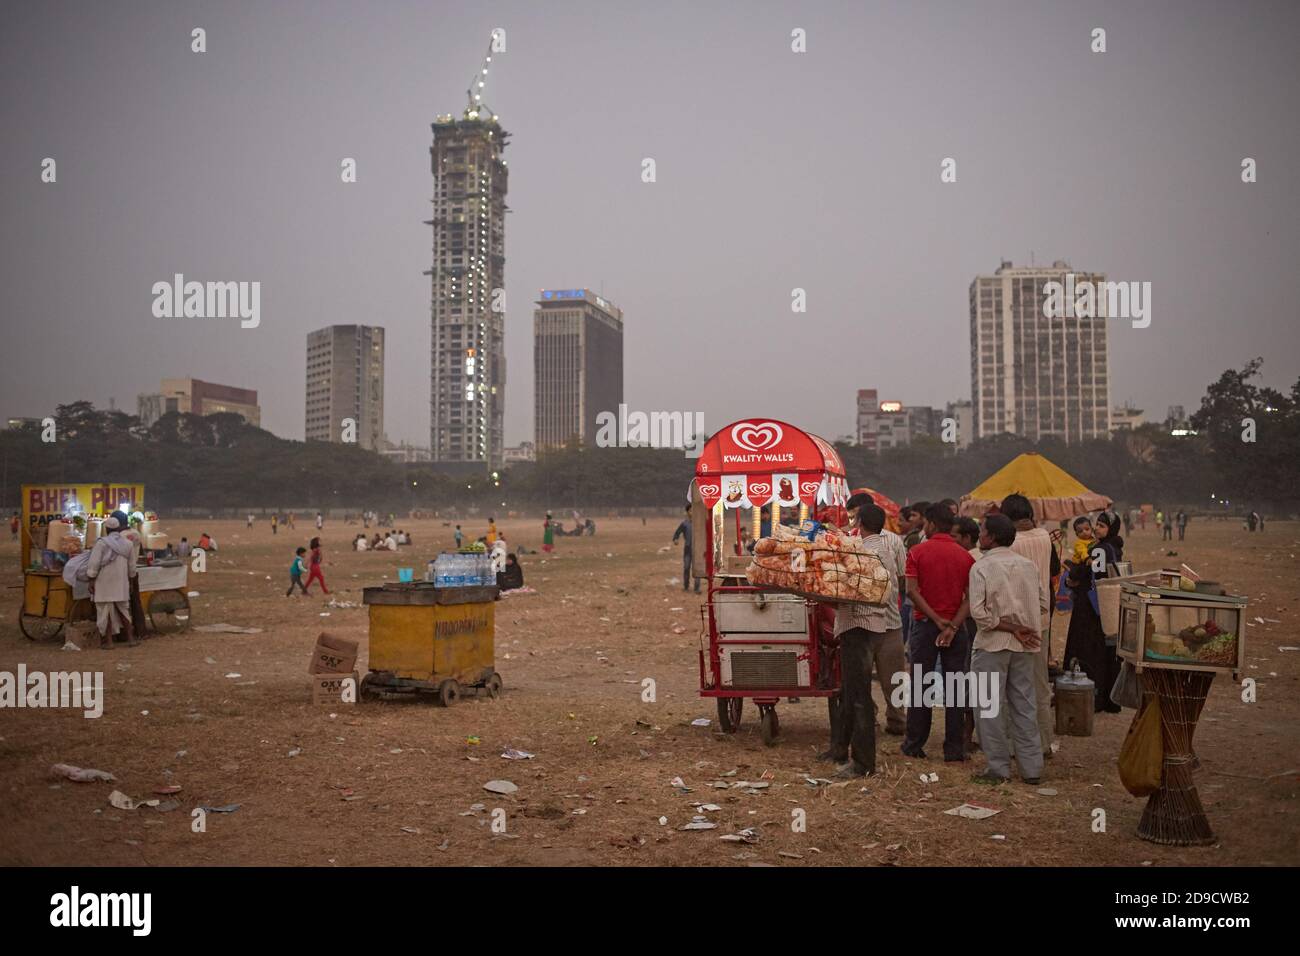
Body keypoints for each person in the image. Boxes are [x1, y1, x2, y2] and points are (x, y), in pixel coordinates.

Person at [828, 504, 909, 771]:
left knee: (859, 695)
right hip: (873, 624)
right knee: (851, 693)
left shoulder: (863, 551)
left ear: (859, 522)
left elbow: (854, 591)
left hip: (859, 626)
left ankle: (862, 762)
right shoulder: (885, 549)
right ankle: (840, 749)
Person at [968, 514, 1047, 785]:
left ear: (990, 537)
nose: (979, 535)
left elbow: (979, 614)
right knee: (1024, 705)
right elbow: (1043, 603)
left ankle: (998, 767)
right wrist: (1023, 625)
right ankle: (1032, 768)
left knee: (990, 708)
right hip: (1025, 646)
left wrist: (1011, 627)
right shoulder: (1028, 566)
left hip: (993, 645)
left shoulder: (981, 566)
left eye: (982, 531)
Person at [902, 503, 974, 761]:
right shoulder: (965, 556)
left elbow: (911, 590)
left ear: (931, 523)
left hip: (925, 626)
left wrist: (936, 619)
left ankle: (914, 744)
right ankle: (954, 749)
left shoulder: (917, 552)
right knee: (955, 688)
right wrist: (953, 625)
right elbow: (970, 597)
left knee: (921, 686)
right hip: (957, 628)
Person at [999, 494, 1059, 754]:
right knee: (1039, 683)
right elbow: (1053, 572)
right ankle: (1044, 742)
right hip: (1041, 619)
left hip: (1013, 622)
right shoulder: (1045, 537)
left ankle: (1016, 744)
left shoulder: (1010, 543)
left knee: (1013, 686)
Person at [1063, 513, 1121, 712]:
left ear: (1111, 529)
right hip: (1107, 607)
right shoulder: (1115, 546)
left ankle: (1094, 697)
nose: (1096, 528)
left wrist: (1073, 572)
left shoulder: (1101, 549)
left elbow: (1088, 572)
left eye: (1102, 525)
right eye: (1097, 524)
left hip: (1091, 607)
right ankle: (1108, 698)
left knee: (1090, 651)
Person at [85, 515, 136, 648]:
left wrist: (91, 580)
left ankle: (109, 642)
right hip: (121, 582)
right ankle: (131, 639)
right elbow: (132, 567)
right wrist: (130, 582)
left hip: (104, 582)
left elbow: (93, 563)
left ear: (106, 529)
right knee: (124, 610)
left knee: (105, 611)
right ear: (119, 529)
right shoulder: (128, 544)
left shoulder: (102, 543)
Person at [672, 505, 700, 594]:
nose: (692, 512)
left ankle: (697, 588)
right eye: (691, 511)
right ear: (687, 512)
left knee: (697, 569)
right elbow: (677, 533)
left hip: (698, 550)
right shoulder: (684, 523)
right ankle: (686, 586)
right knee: (686, 567)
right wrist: (675, 539)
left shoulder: (699, 523)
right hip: (687, 549)